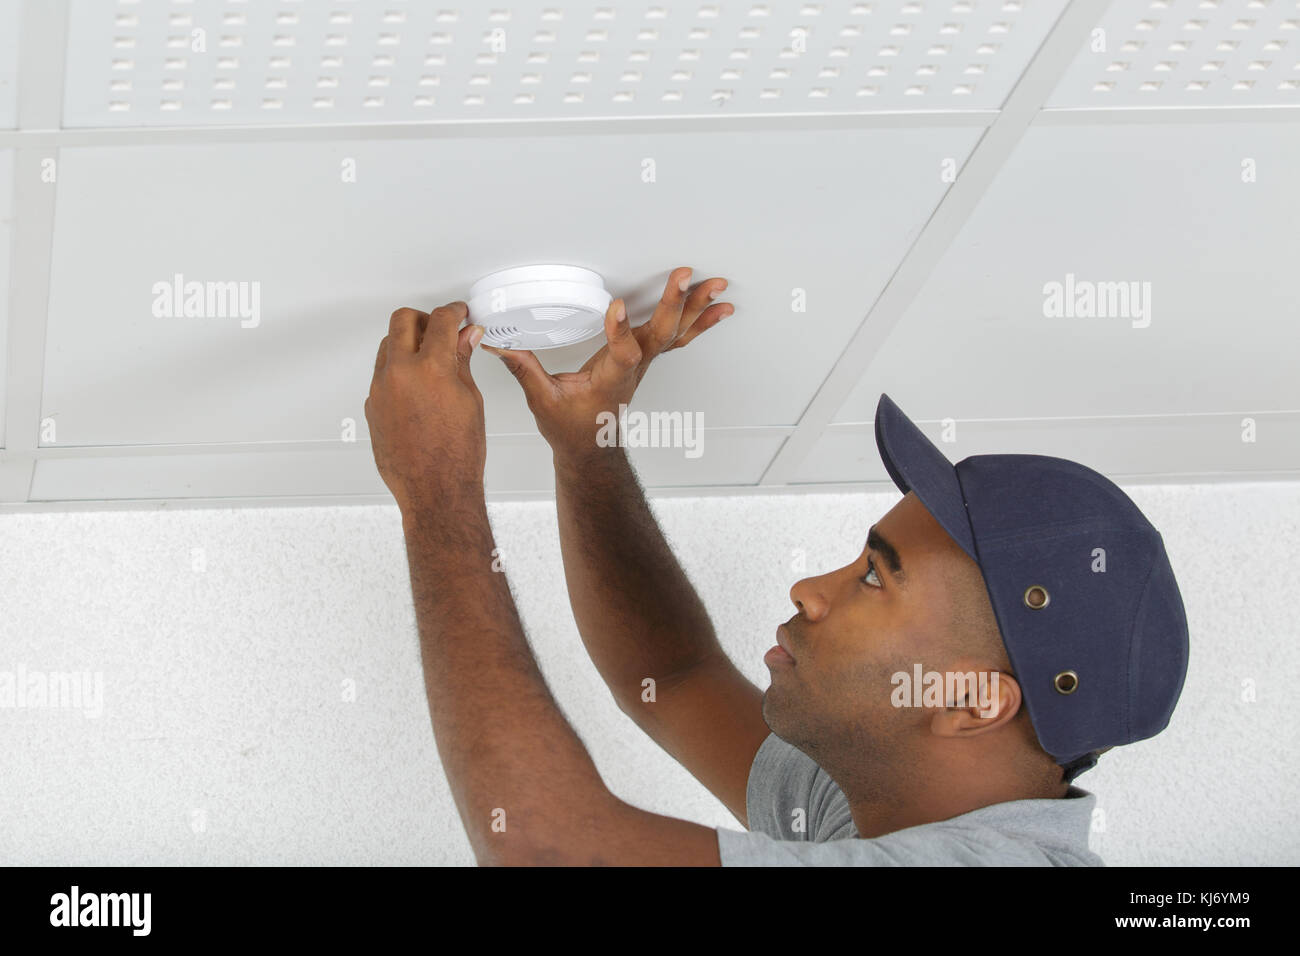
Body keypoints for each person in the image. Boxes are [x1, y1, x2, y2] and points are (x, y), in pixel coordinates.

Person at [363, 266, 1189, 866]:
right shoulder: (882, 810)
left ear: (972, 702)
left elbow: (546, 850)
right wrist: (590, 448)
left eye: (876, 576)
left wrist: (436, 491)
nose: (810, 589)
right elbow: (671, 675)